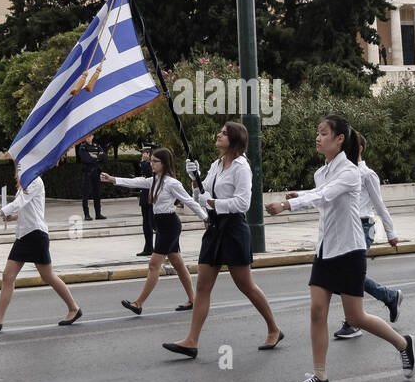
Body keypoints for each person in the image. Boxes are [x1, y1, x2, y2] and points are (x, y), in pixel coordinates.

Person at [266, 115, 415, 382]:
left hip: (349, 250)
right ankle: (320, 376)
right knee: (317, 311)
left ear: (339, 139)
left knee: (356, 317)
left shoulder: (351, 172)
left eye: (323, 133)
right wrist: (299, 196)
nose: (318, 138)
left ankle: (403, 344)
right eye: (317, 133)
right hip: (325, 249)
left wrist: (287, 204)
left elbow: (325, 196)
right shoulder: (322, 172)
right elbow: (320, 191)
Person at [164, 122, 283, 358]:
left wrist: (212, 203)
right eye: (220, 131)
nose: (219, 134)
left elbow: (243, 204)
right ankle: (191, 341)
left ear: (235, 139)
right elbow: (200, 196)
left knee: (245, 285)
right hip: (215, 228)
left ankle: (274, 328)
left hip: (234, 228)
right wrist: (194, 178)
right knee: (203, 286)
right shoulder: (217, 165)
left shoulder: (241, 167)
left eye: (224, 133)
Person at [0, 165, 82, 330]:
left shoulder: (34, 180)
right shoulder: (26, 182)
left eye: (20, 167)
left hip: (35, 235)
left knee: (48, 276)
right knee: (7, 276)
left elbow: (20, 203)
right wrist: (13, 218)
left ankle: (74, 308)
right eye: (17, 167)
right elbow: (31, 208)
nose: (17, 171)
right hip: (24, 236)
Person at [102, 147, 207, 314]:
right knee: (179, 264)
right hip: (162, 225)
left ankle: (138, 303)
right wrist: (112, 179)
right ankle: (193, 299)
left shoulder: (172, 183)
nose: (151, 164)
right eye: (151, 161)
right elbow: (135, 181)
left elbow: (189, 201)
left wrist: (205, 218)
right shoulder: (154, 180)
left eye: (155, 161)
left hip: (170, 225)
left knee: (153, 264)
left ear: (164, 163)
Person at [334, 132, 405, 339]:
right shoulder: (341, 172)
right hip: (344, 229)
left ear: (359, 148)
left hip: (362, 228)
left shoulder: (367, 174)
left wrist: (391, 232)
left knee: (349, 275)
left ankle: (352, 322)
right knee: (343, 276)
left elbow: (379, 204)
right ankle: (389, 296)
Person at [76, 133, 105, 220]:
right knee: (86, 195)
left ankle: (98, 214)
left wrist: (94, 156)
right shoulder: (83, 147)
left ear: (93, 137)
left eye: (90, 136)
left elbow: (104, 156)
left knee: (97, 194)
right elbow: (86, 159)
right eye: (87, 136)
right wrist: (97, 157)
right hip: (87, 173)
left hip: (96, 173)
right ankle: (87, 215)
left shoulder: (97, 146)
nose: (88, 138)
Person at [135, 145, 154, 256]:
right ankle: (148, 247)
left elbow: (148, 174)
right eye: (142, 153)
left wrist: (143, 163)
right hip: (144, 197)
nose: (143, 155)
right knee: (146, 224)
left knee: (150, 223)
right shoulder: (143, 164)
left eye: (146, 153)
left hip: (150, 197)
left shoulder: (151, 164)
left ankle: (151, 248)